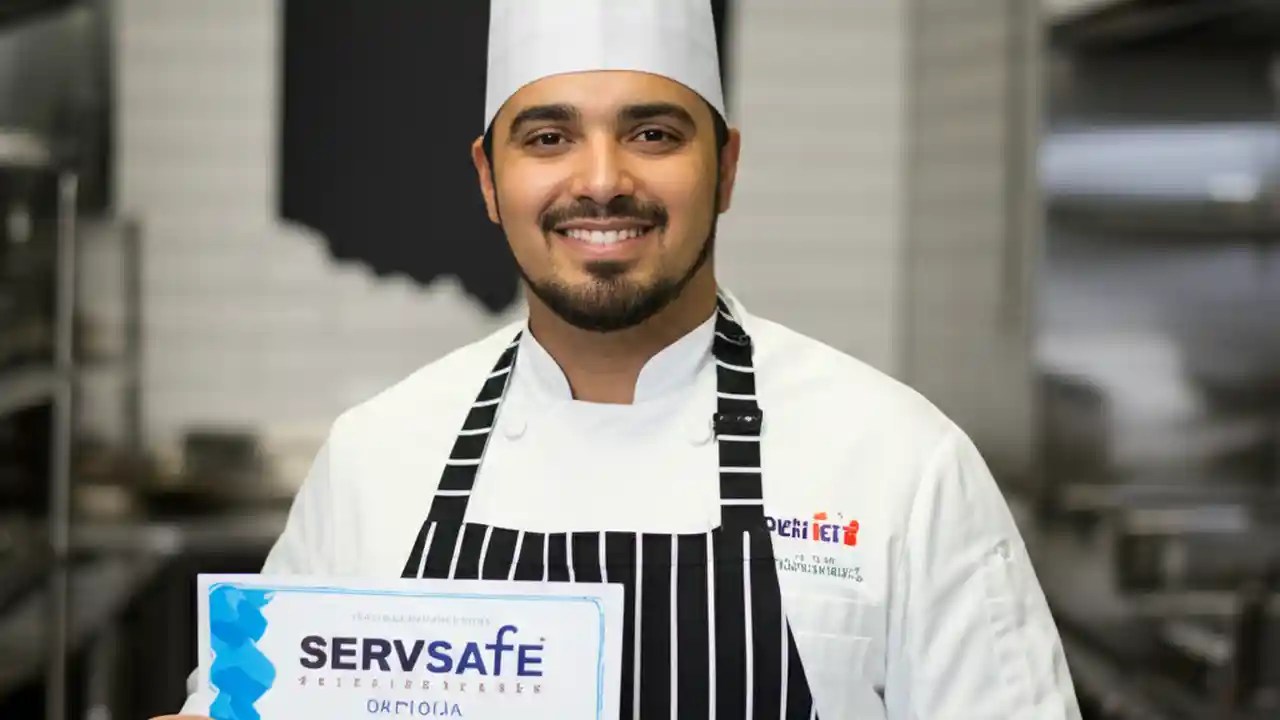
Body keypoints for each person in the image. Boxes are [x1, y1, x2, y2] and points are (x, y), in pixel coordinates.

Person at [159, 0, 1082, 718]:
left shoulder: (900, 466)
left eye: (652, 132)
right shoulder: (375, 460)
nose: (601, 180)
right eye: (549, 137)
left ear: (724, 167)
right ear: (489, 180)